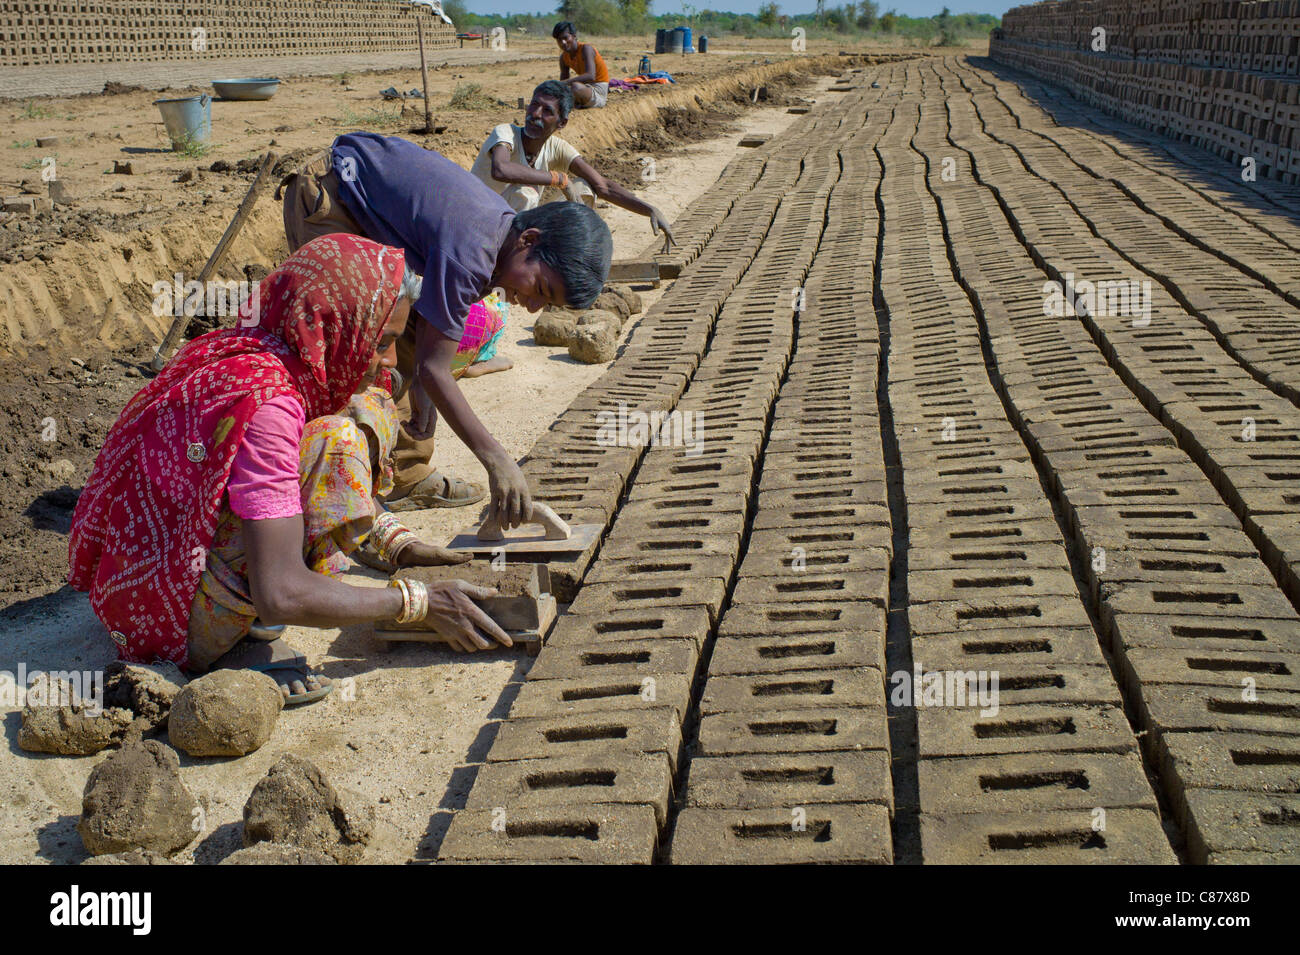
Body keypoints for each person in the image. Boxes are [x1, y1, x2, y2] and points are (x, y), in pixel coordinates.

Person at [68, 235, 515, 704]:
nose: (388, 357)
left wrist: (391, 540)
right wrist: (418, 602)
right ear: (332, 325)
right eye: (380, 341)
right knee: (340, 438)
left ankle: (249, 601)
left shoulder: (259, 347)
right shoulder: (270, 406)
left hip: (135, 581)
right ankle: (228, 643)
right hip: (163, 618)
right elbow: (280, 591)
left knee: (367, 402)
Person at [279, 133, 612, 516]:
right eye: (540, 288)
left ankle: (407, 477)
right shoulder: (472, 250)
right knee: (357, 346)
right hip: (331, 196)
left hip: (364, 198)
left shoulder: (498, 243)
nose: (533, 306)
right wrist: (497, 460)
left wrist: (424, 383)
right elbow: (435, 367)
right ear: (529, 240)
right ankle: (336, 499)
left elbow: (429, 353)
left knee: (407, 331)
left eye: (545, 303)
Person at [470, 80, 676, 253]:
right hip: (476, 225)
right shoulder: (506, 133)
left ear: (561, 123)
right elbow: (501, 169)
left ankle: (562, 254)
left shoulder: (557, 148)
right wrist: (557, 179)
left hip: (509, 227)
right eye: (534, 105)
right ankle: (504, 263)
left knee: (585, 189)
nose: (536, 114)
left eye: (547, 111)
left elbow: (602, 186)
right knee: (527, 194)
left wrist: (650, 209)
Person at [554, 21, 609, 109]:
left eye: (565, 38)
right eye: (559, 40)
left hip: (598, 90)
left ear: (574, 36)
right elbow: (563, 83)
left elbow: (590, 76)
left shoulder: (586, 49)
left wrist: (564, 83)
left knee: (575, 87)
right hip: (585, 88)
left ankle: (574, 103)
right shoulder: (563, 58)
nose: (563, 42)